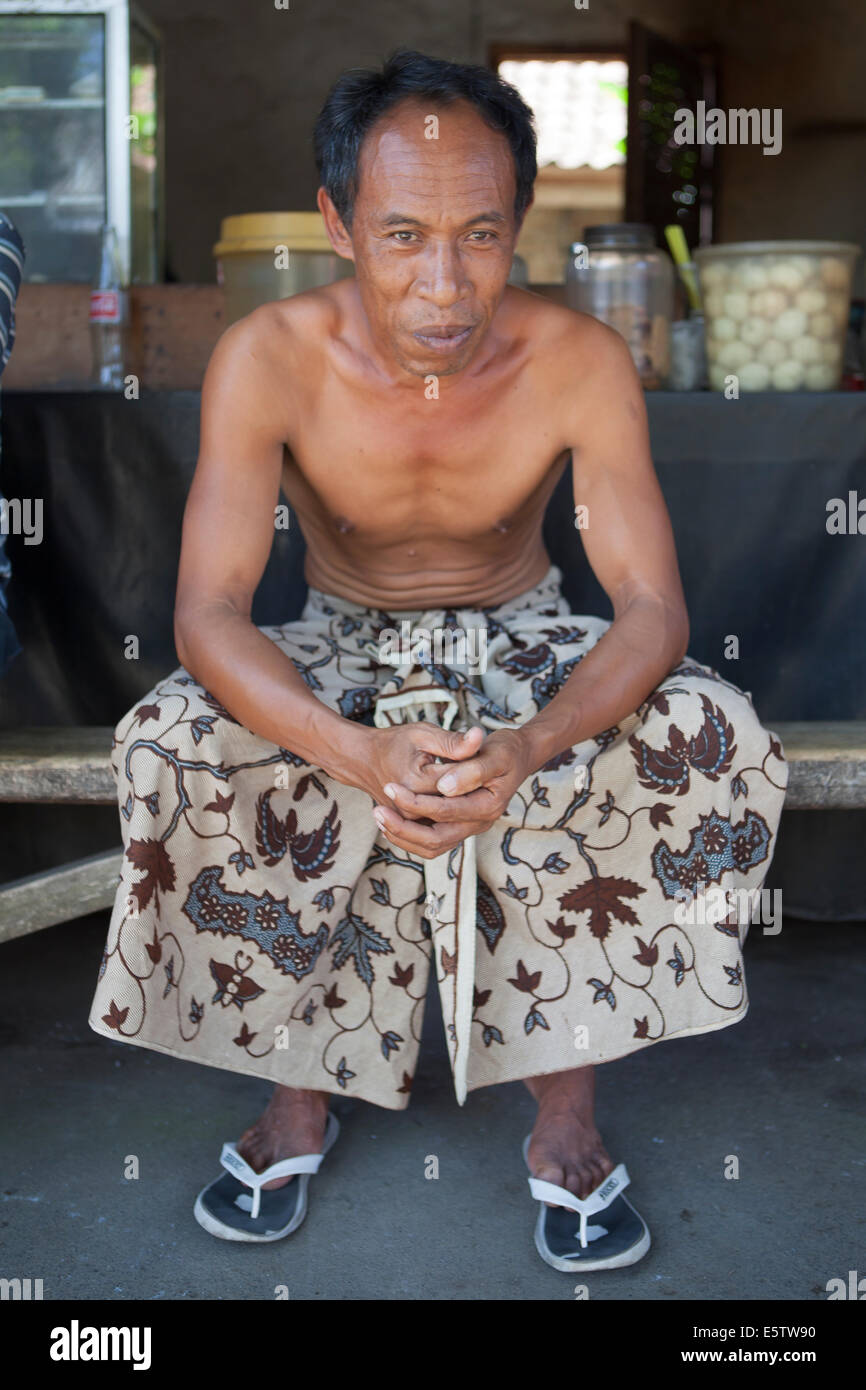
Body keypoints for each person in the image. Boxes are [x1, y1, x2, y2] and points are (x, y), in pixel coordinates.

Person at [88, 49, 788, 1271]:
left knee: (703, 731)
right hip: (338, 630)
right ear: (336, 224)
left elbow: (649, 610)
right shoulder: (268, 353)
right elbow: (209, 610)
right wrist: (347, 747)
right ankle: (294, 1093)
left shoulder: (575, 358)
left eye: (480, 234)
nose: (445, 284)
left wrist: (528, 745)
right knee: (173, 743)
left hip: (522, 621)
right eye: (403, 234)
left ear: (520, 223)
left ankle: (563, 1116)